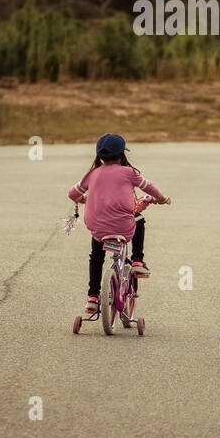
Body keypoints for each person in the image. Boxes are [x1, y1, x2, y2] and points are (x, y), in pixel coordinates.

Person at [68, 134, 169, 315]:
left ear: (99, 156)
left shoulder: (92, 175)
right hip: (123, 227)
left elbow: (72, 194)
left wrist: (84, 198)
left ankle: (92, 297)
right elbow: (149, 187)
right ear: (122, 155)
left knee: (96, 255)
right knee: (139, 219)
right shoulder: (129, 173)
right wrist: (161, 199)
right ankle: (137, 260)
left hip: (97, 228)